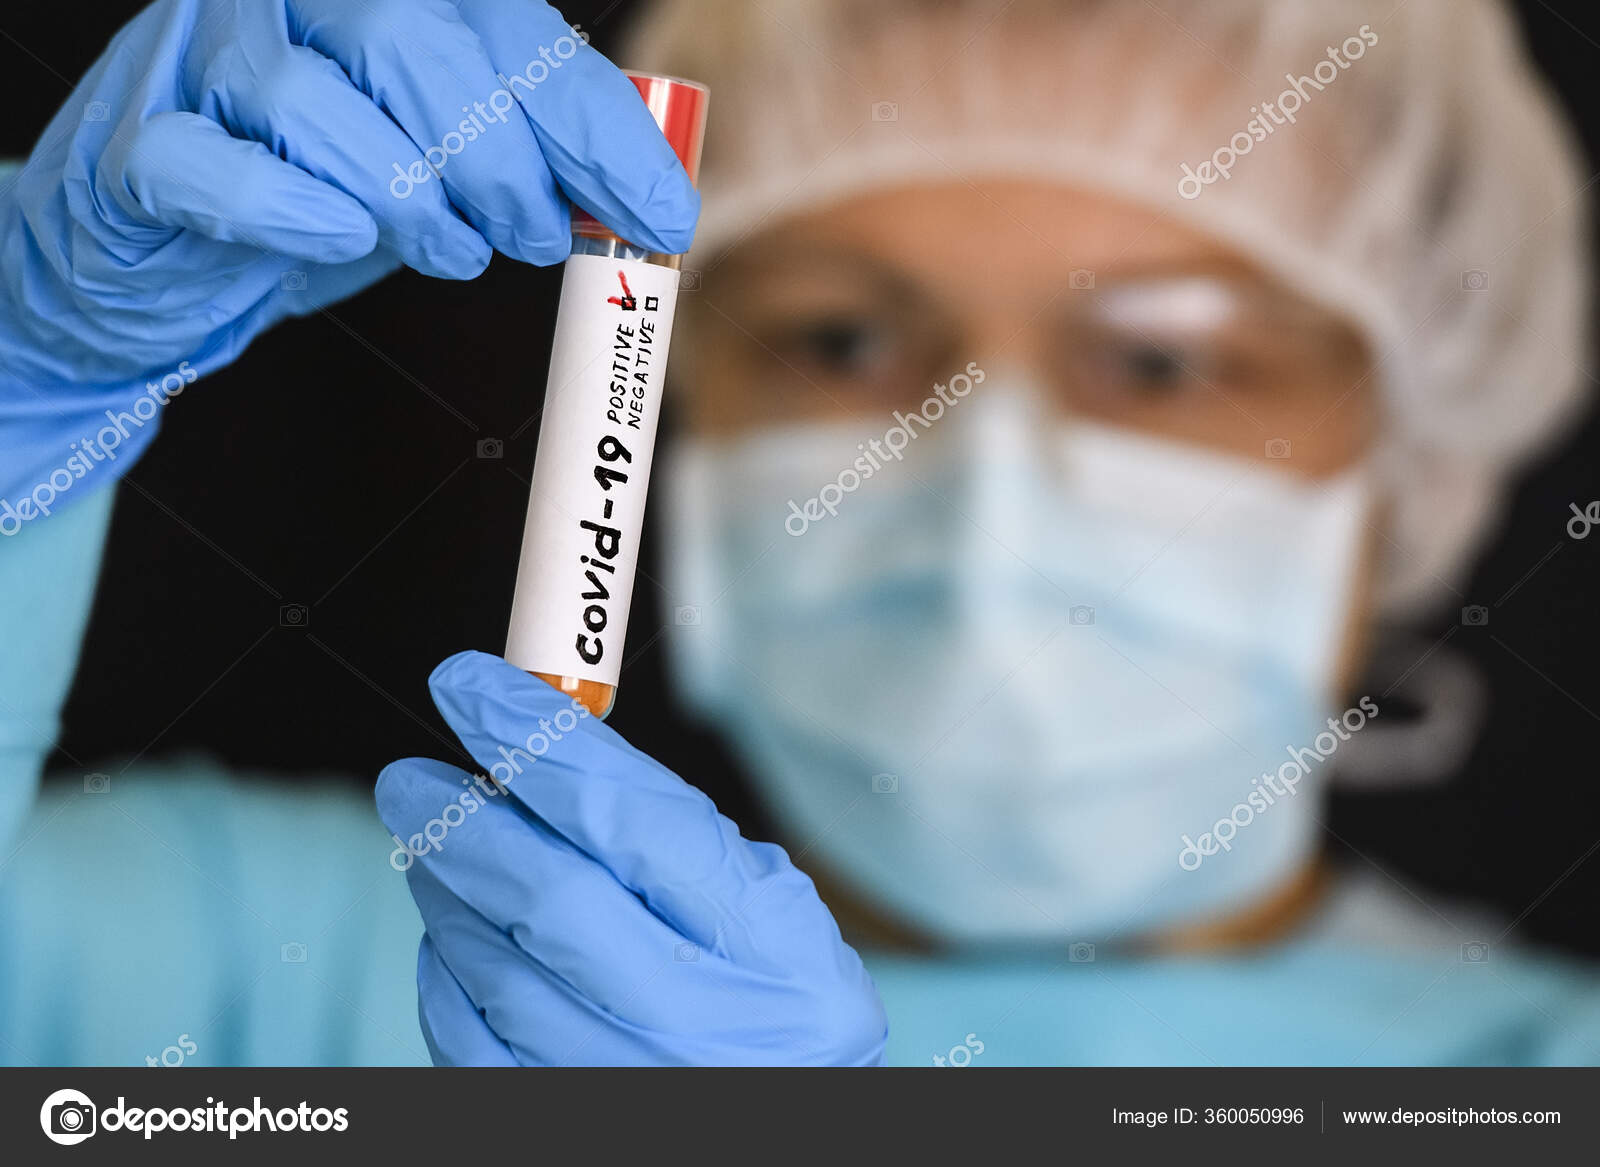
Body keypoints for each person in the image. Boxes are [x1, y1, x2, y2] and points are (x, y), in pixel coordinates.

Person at [1, 0, 1597, 1066]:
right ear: (685, 400)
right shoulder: (257, 964)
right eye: (838, 342)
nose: (985, 490)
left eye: (1166, 361)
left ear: (1411, 458)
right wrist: (26, 380)